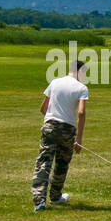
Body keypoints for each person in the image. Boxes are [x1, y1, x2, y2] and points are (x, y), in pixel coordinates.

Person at [32, 58, 88, 211]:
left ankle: (39, 201)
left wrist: (49, 124)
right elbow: (81, 112)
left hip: (50, 125)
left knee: (44, 162)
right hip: (67, 129)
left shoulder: (55, 82)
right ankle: (55, 196)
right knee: (62, 163)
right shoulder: (82, 88)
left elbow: (43, 108)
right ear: (80, 71)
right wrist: (79, 139)